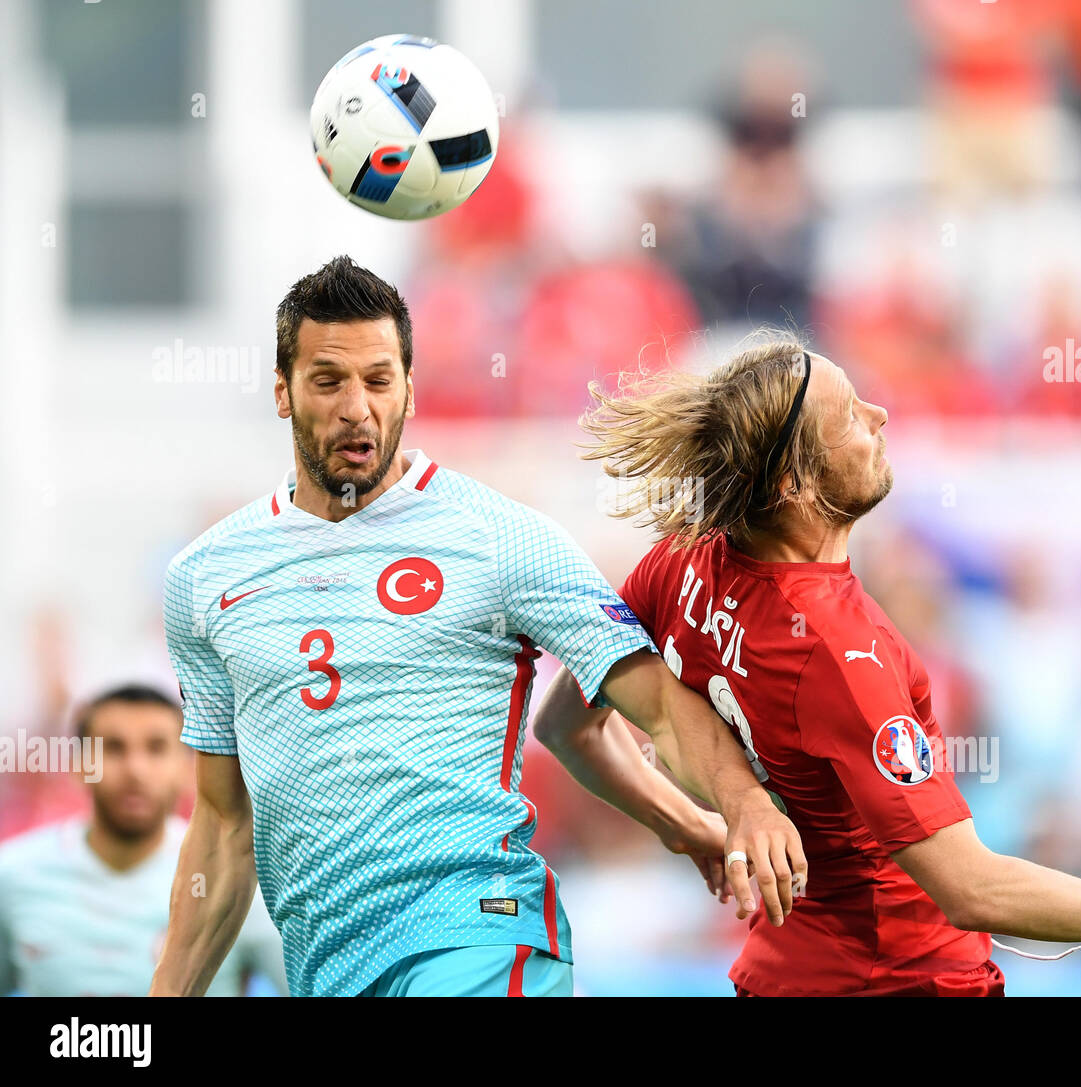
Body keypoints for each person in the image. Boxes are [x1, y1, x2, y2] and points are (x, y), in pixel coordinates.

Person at [529, 336, 1081, 997]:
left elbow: (567, 725)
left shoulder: (680, 562)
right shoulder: (844, 654)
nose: (881, 416)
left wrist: (688, 826)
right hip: (904, 977)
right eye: (851, 415)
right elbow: (969, 889)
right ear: (793, 484)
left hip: (777, 976)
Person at [148, 256, 804, 998]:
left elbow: (653, 702)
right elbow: (224, 828)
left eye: (378, 379)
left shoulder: (499, 537)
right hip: (327, 968)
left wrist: (740, 806)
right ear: (282, 391)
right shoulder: (206, 577)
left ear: (410, 390)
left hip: (479, 930)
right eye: (328, 380)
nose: (356, 406)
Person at [0, 685, 284, 996]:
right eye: (113, 748)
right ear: (79, 765)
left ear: (190, 767)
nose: (136, 769)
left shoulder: (238, 882)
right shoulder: (12, 876)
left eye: (157, 748)